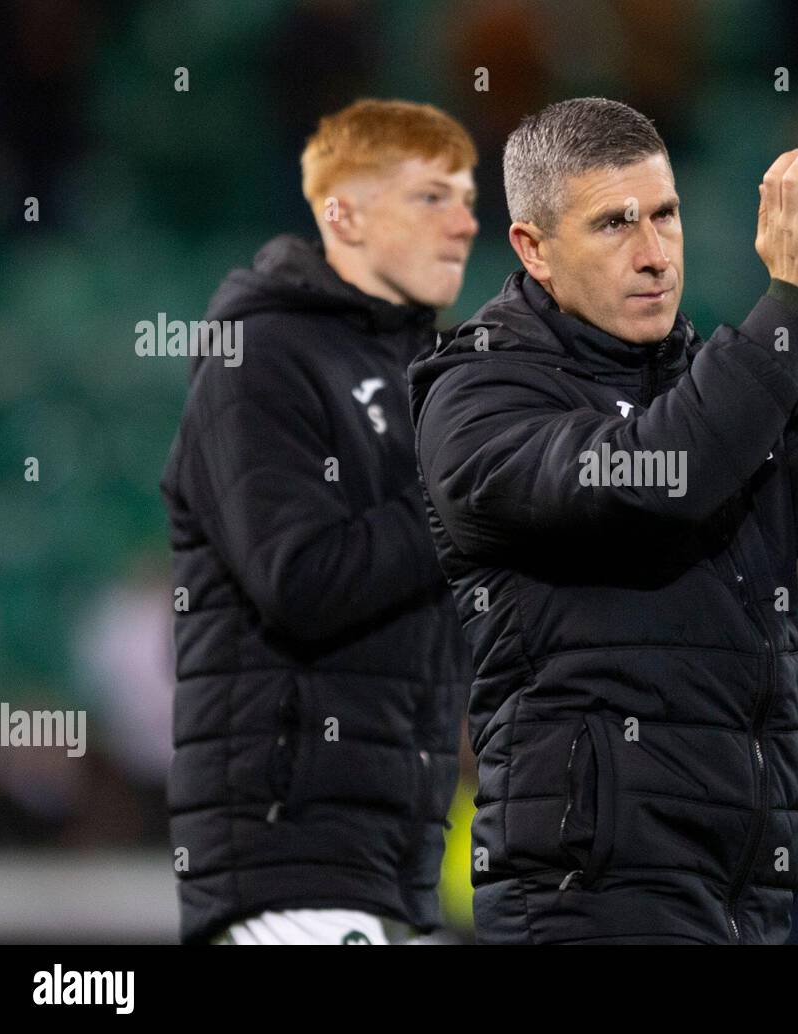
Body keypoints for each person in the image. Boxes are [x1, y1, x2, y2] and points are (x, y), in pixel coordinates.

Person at [409, 97, 798, 944]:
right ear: (534, 249)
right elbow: (661, 478)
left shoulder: (715, 385)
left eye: (666, 215)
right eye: (615, 224)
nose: (655, 254)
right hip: (588, 900)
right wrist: (790, 312)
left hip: (746, 895)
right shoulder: (478, 398)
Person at [161, 99, 478, 945]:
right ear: (344, 212)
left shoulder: (432, 373)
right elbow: (300, 578)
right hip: (287, 851)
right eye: (432, 198)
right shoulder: (260, 355)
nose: (464, 223)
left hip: (394, 855)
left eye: (468, 198)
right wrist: (469, 499)